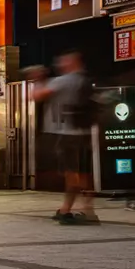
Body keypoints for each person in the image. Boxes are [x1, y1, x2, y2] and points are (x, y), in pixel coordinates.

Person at [31, 51, 99, 224]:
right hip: (83, 132)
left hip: (66, 133)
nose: (60, 64)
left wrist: (37, 79)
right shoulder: (84, 80)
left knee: (71, 173)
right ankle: (87, 209)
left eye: (63, 60)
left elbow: (37, 96)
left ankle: (67, 210)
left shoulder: (64, 80)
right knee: (83, 172)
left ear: (72, 62)